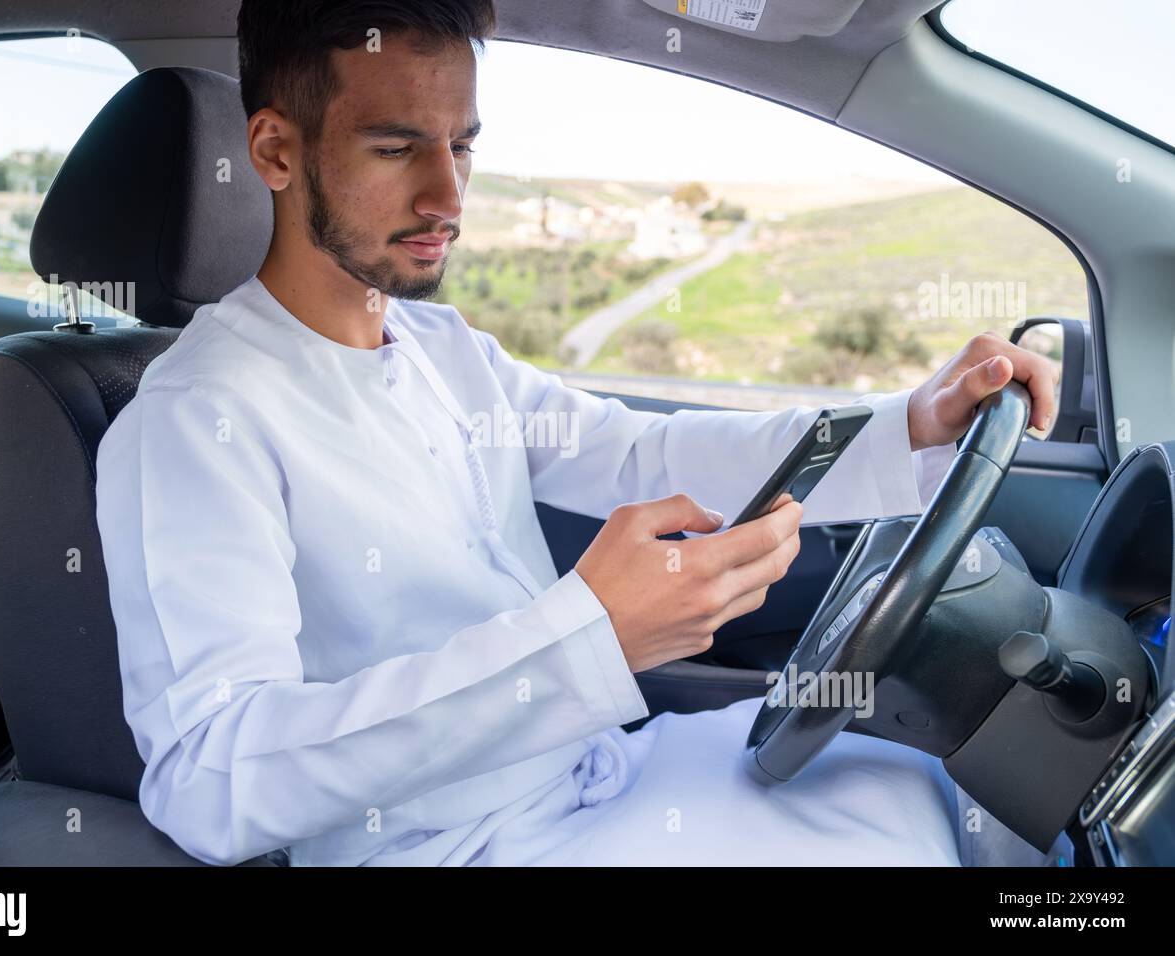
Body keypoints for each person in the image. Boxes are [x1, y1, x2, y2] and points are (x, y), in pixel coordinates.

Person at [94, 0, 1061, 867]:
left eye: (461, 146)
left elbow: (643, 454)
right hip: (456, 846)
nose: (447, 196)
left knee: (954, 787)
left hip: (609, 773)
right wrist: (588, 640)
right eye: (395, 149)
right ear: (274, 152)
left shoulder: (441, 346)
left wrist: (907, 424)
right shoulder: (193, 421)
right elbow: (209, 779)